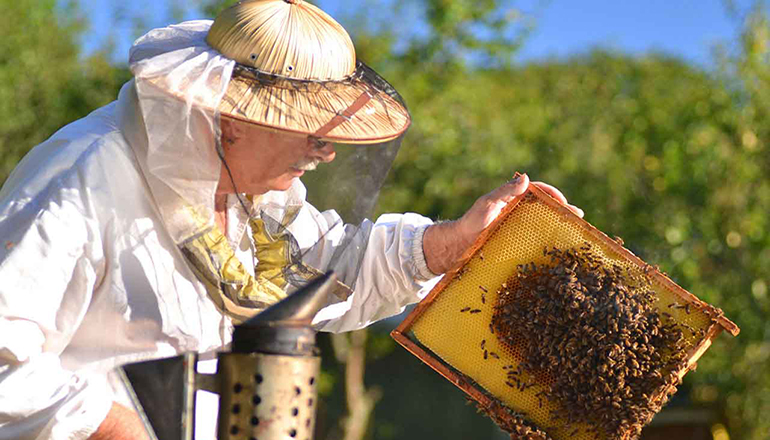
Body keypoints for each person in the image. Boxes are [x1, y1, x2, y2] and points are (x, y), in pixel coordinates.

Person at [0, 1, 582, 439]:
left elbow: (325, 274)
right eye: (308, 125)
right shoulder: (81, 178)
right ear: (231, 115)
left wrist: (451, 244)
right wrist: (120, 428)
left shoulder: (254, 192)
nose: (326, 149)